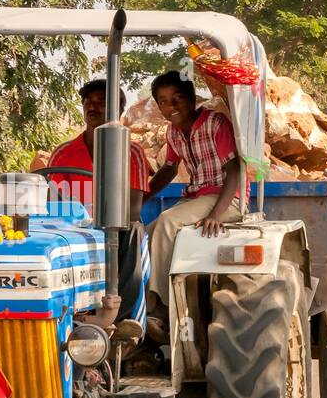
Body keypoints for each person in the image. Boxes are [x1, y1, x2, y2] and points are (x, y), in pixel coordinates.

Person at [45, 78, 154, 330]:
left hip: (115, 231)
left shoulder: (131, 152)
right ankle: (60, 314)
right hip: (75, 232)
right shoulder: (63, 153)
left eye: (101, 103)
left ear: (117, 110)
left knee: (134, 229)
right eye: (88, 102)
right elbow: (53, 207)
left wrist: (100, 222)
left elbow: (133, 208)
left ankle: (124, 319)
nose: (92, 108)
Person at [144, 70, 243, 321]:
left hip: (225, 198)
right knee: (146, 233)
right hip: (197, 198)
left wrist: (216, 214)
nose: (172, 106)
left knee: (167, 221)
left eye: (177, 98)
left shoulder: (215, 123)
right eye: (164, 101)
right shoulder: (174, 132)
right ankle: (141, 296)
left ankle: (159, 304)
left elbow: (234, 170)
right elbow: (168, 169)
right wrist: (141, 197)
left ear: (191, 97)